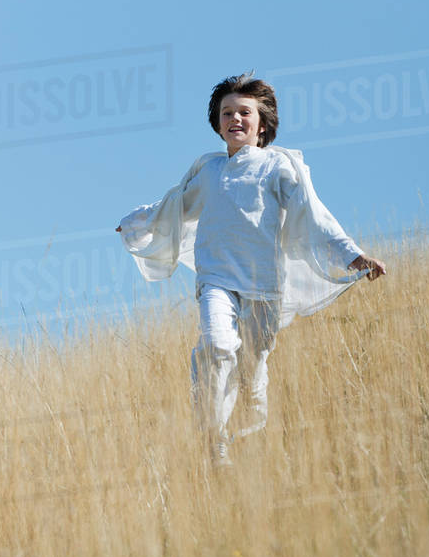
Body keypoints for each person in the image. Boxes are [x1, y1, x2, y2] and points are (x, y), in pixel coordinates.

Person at [116, 74, 386, 466]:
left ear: (263, 124)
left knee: (251, 368)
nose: (235, 119)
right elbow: (173, 206)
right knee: (217, 346)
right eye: (227, 113)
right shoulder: (208, 171)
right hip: (216, 281)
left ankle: (246, 430)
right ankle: (214, 439)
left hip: (264, 286)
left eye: (245, 112)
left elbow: (315, 217)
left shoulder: (279, 166)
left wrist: (354, 256)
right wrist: (136, 221)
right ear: (217, 122)